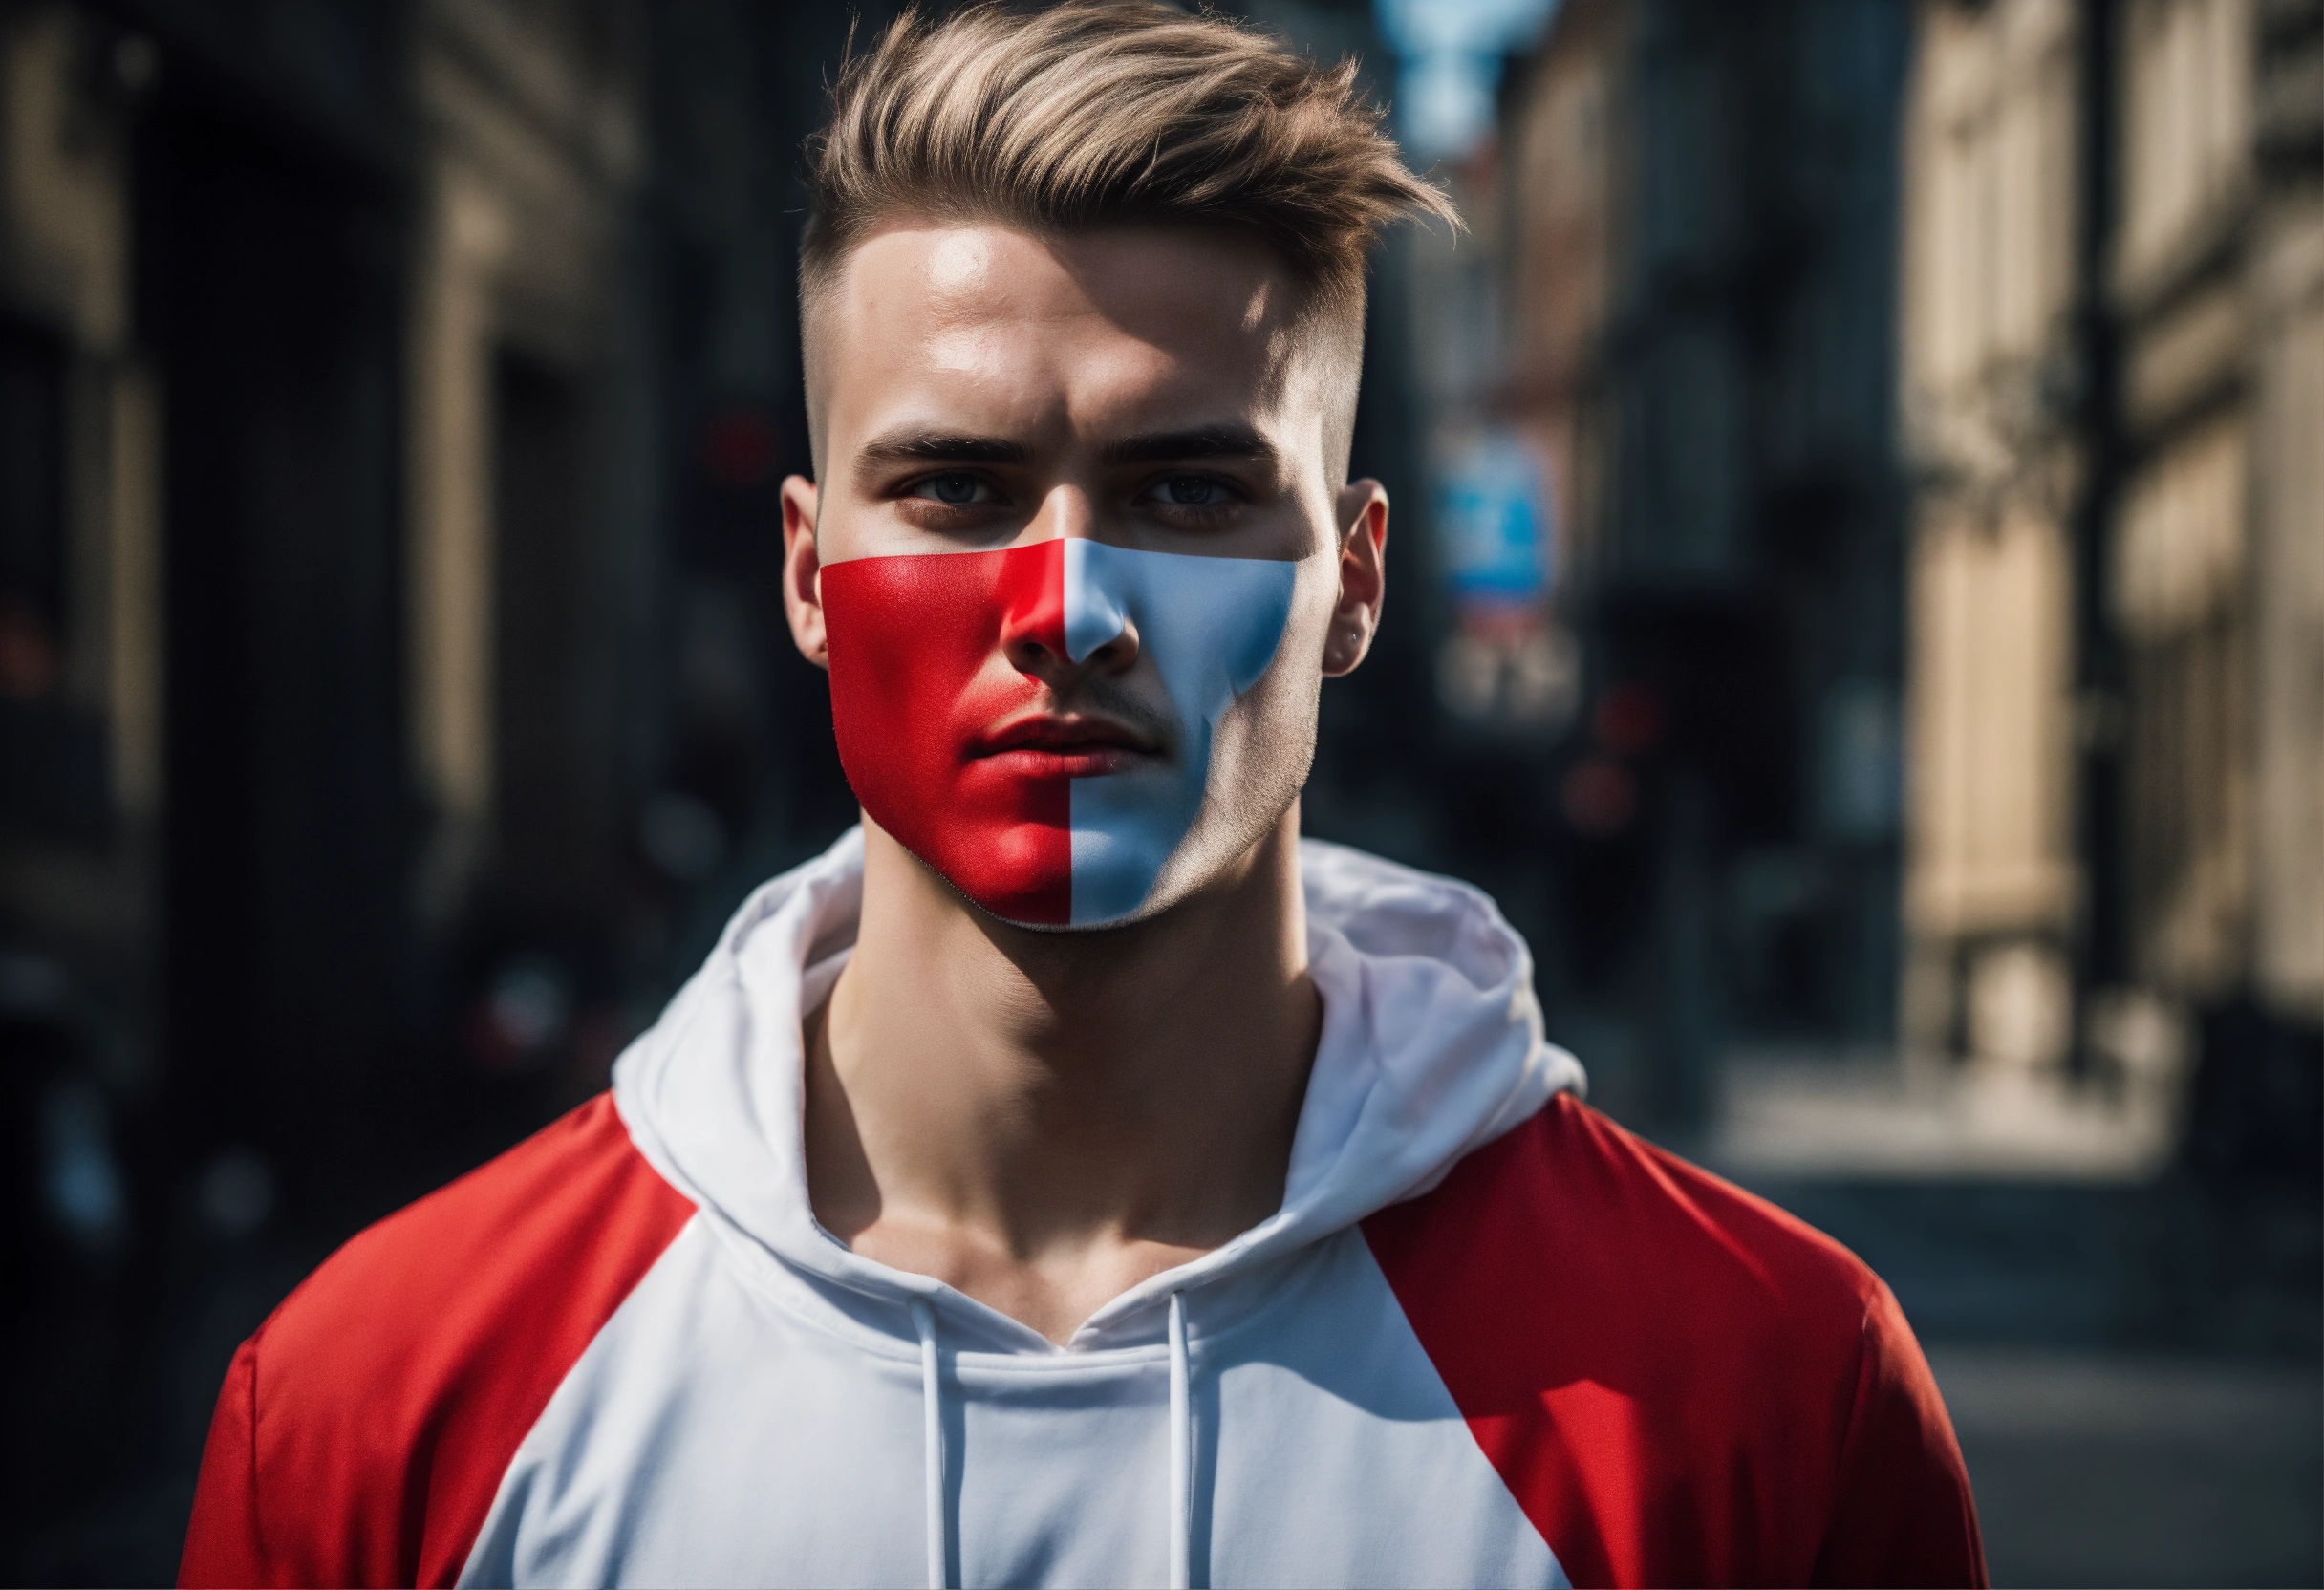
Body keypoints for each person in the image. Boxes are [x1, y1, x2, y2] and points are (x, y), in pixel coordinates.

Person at [179, 5, 1986, 1587]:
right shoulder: (381, 1411)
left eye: (1191, 491)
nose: (1069, 610)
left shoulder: (1765, 1395)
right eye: (958, 486)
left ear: (1357, 580)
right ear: (807, 573)